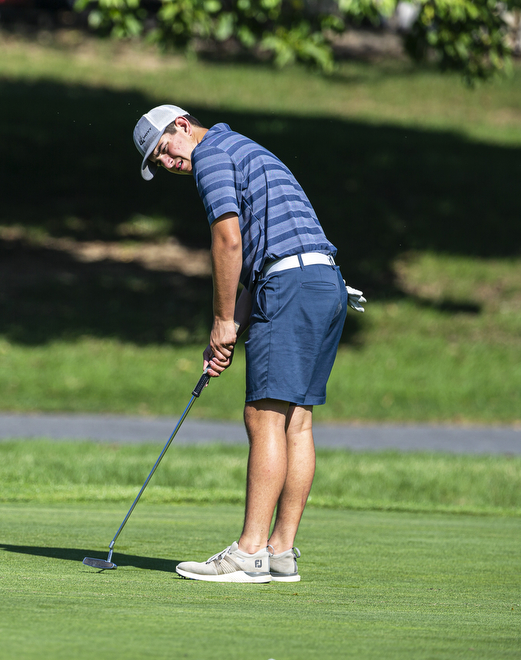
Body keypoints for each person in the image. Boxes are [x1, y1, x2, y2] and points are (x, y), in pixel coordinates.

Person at [132, 105, 364, 583]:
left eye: (165, 150)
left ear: (182, 125)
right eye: (159, 162)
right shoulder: (243, 148)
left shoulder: (211, 155)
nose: (170, 162)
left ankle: (250, 552)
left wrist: (219, 320)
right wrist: (231, 330)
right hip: (325, 284)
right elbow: (265, 260)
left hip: (291, 286)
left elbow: (228, 242)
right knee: (296, 420)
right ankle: (280, 552)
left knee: (263, 415)